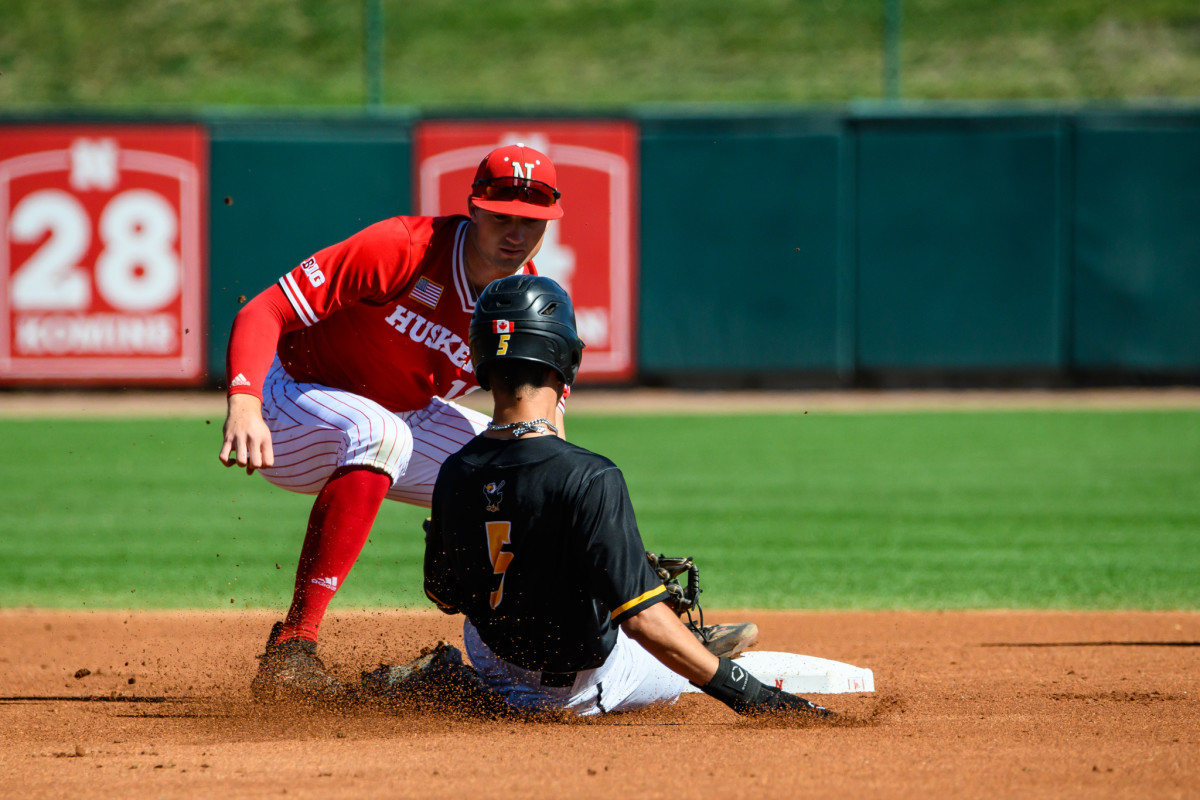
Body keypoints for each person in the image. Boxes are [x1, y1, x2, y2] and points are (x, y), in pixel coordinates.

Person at [219, 144, 749, 702]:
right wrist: (244, 399)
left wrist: (575, 526)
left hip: (398, 410)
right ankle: (293, 648)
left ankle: (633, 626)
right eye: (502, 218)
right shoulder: (403, 248)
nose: (516, 234)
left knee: (524, 471)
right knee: (380, 434)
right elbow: (263, 310)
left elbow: (549, 445)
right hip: (291, 398)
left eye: (532, 222)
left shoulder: (527, 301)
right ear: (474, 209)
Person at [422, 275, 830, 718]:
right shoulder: (589, 474)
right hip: (576, 690)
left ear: (481, 358)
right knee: (658, 635)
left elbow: (443, 594)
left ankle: (458, 679)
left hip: (492, 661)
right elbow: (641, 623)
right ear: (564, 358)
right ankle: (688, 645)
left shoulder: (453, 470)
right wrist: (755, 696)